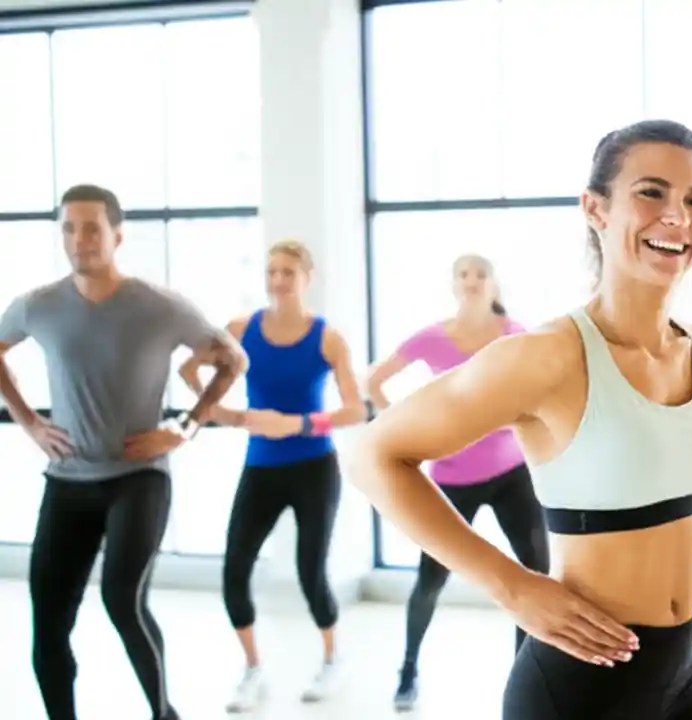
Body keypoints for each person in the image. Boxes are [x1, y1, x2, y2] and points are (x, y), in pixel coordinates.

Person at [346, 119, 692, 719]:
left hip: (679, 673)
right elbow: (373, 455)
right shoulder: (546, 357)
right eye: (651, 193)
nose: (678, 218)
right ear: (596, 209)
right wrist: (513, 587)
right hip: (577, 688)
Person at [0, 184, 247, 720]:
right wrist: (29, 421)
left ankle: (164, 715)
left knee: (122, 600)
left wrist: (184, 426)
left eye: (91, 227)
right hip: (67, 481)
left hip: (139, 478)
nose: (79, 239)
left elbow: (233, 360)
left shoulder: (159, 306)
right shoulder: (38, 305)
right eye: (68, 227)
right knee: (47, 624)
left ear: (117, 234)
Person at [177, 239, 366, 712]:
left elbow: (355, 410)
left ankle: (332, 656)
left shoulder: (327, 337)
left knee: (309, 571)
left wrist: (299, 424)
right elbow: (189, 368)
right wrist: (229, 415)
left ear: (307, 278)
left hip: (314, 469)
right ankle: (252, 667)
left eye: (288, 272)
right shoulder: (241, 329)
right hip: (260, 468)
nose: (278, 280)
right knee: (234, 571)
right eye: (272, 271)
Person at [364, 253, 549, 712]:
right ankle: (408, 670)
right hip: (450, 480)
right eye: (463, 275)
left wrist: (521, 426)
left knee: (534, 575)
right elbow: (375, 380)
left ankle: (525, 675)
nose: (471, 281)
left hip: (511, 475)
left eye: (480, 274)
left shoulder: (514, 335)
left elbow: (541, 393)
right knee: (430, 580)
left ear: (494, 286)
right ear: (453, 285)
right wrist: (408, 429)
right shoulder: (433, 338)